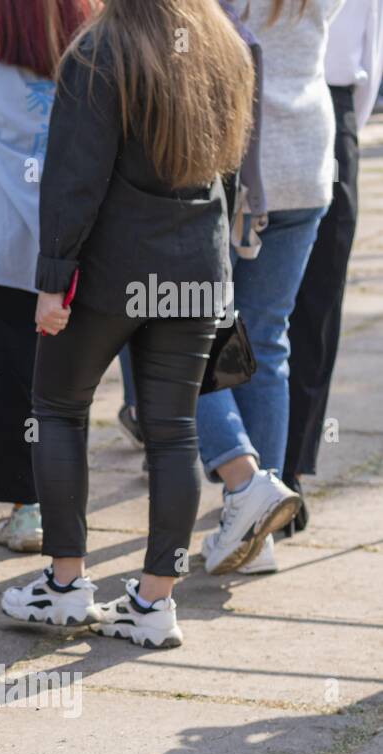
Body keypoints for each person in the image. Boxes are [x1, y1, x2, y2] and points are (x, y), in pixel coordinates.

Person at [0, 0, 255, 648]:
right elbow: (229, 162)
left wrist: (52, 278)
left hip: (113, 271)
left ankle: (65, 586)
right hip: (195, 264)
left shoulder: (101, 48)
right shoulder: (220, 40)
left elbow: (73, 177)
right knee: (172, 434)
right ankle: (153, 603)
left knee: (57, 407)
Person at [0, 0, 96, 556]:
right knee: (62, 382)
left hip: (0, 222)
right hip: (72, 222)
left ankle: (28, 506)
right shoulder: (88, 17)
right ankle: (56, 504)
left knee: (6, 374)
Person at [195, 0, 342, 576]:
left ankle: (246, 486)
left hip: (238, 162)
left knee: (191, 329)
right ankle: (260, 521)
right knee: (267, 340)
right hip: (306, 158)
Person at [282, 0, 383, 532]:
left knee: (318, 302)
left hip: (332, 104)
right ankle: (241, 459)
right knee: (252, 298)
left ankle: (292, 463)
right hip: (259, 103)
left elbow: (369, 57)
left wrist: (344, 126)